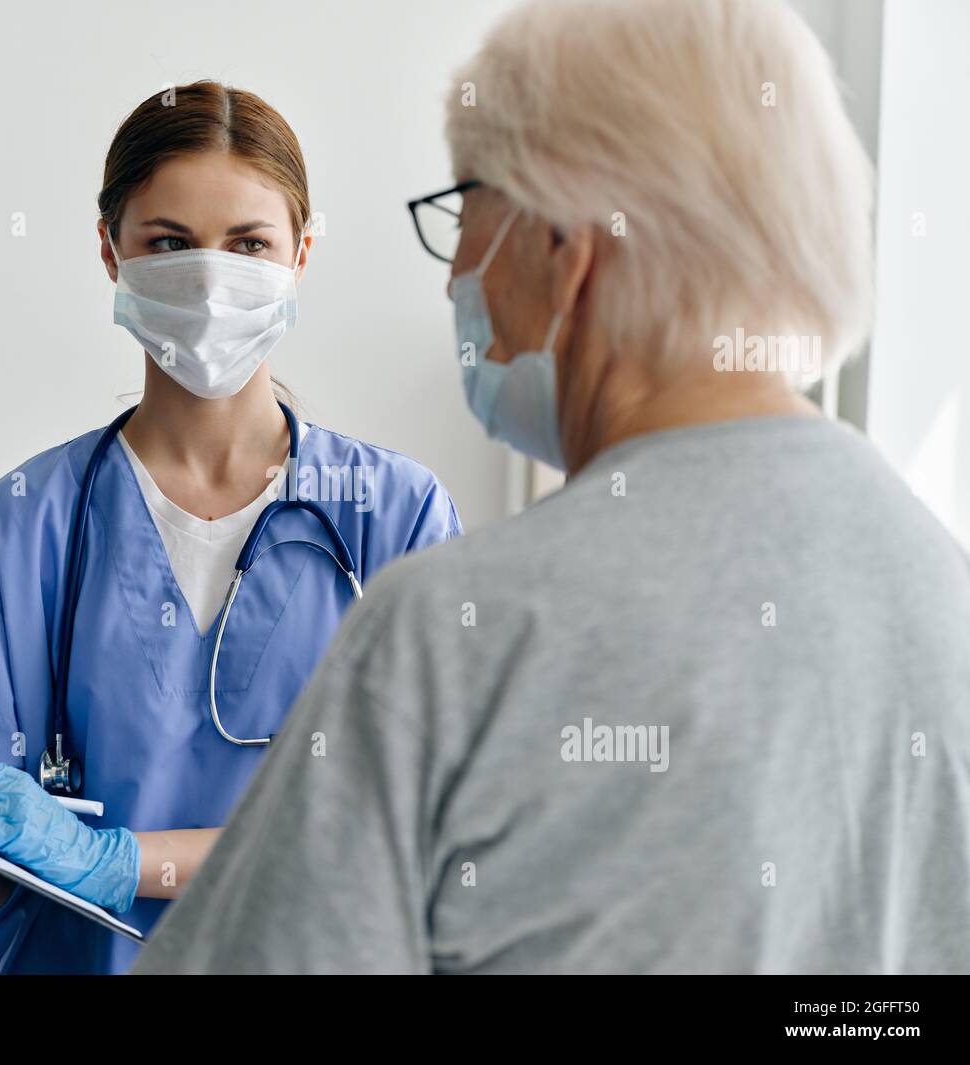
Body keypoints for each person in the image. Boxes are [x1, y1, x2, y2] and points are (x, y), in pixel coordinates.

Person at [131, 0, 970, 974]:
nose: (455, 275)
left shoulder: (459, 632)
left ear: (567, 250)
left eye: (467, 214)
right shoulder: (940, 587)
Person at [0, 80, 461, 974]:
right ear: (109, 251)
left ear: (301, 254)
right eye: (169, 242)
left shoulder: (397, 517)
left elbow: (417, 826)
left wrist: (120, 861)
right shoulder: (18, 529)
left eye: (249, 244)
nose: (211, 280)